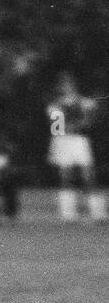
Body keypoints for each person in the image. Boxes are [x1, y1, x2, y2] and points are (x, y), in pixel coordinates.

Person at [46, 73, 104, 222]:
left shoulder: (85, 102)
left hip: (80, 141)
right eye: (63, 84)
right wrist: (76, 124)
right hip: (63, 142)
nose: (66, 86)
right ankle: (68, 214)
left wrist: (83, 122)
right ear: (59, 87)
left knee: (89, 176)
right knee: (66, 177)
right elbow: (57, 128)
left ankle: (98, 213)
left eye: (69, 83)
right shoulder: (55, 105)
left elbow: (92, 119)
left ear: (74, 85)